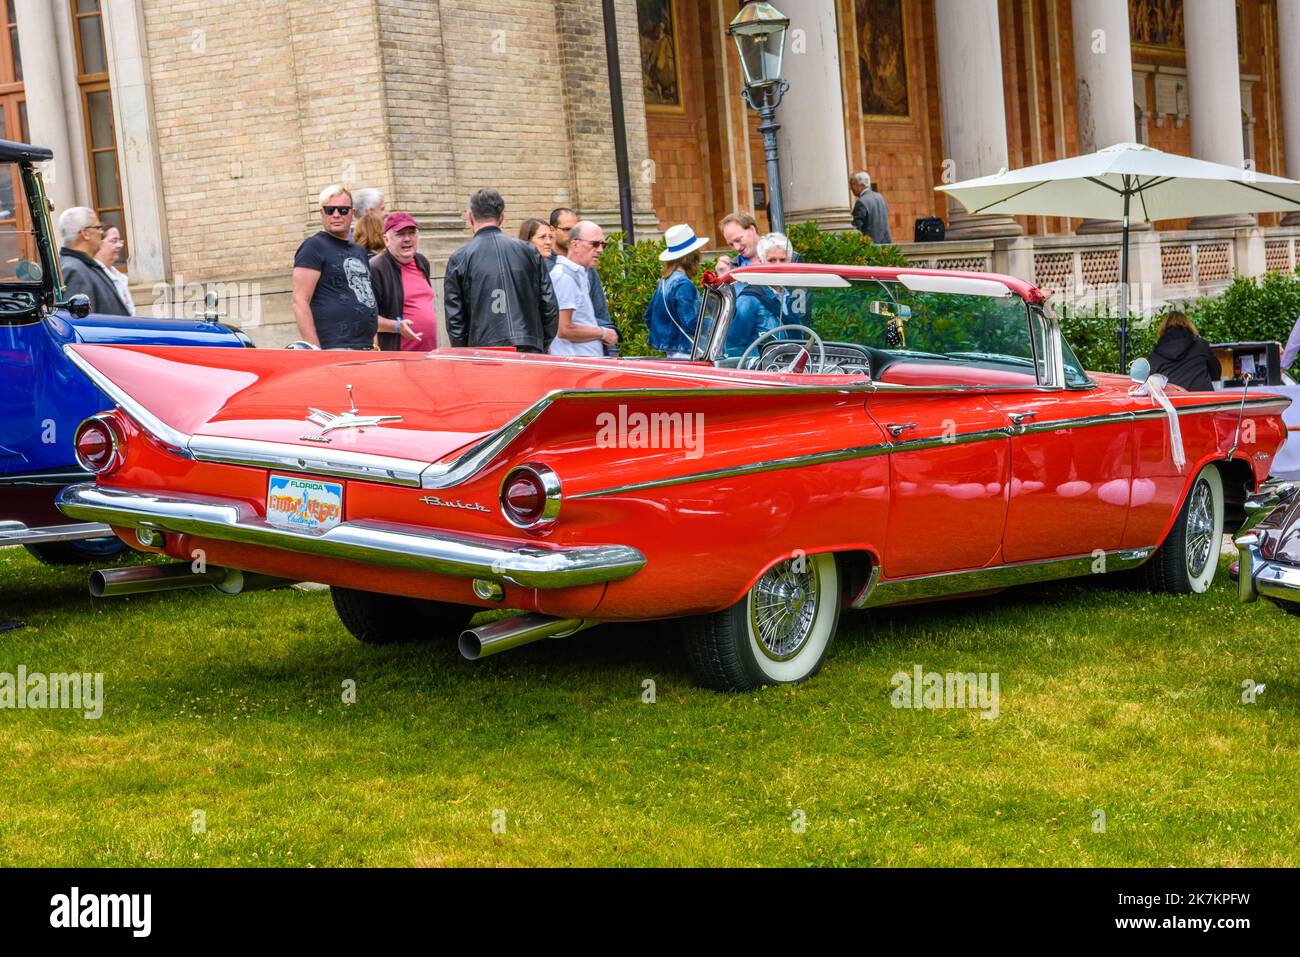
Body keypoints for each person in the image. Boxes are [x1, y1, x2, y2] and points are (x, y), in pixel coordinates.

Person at [445, 188, 558, 352]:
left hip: (484, 351)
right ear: (502, 217)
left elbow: (455, 321)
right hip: (528, 345)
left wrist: (465, 353)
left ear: (470, 217)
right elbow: (549, 306)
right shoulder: (530, 252)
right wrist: (539, 343)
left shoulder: (460, 258)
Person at [292, 184, 378, 349]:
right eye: (330, 210)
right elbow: (300, 301)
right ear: (322, 213)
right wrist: (314, 351)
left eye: (343, 210)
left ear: (352, 213)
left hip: (366, 347)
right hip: (333, 348)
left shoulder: (359, 251)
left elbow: (368, 299)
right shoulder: (313, 247)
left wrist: (375, 343)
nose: (336, 215)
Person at [551, 206, 618, 355]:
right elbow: (564, 329)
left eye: (603, 245)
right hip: (574, 369)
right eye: (594, 244)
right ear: (575, 244)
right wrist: (603, 333)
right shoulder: (565, 277)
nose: (600, 250)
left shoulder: (580, 273)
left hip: (585, 366)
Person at [369, 212, 436, 352]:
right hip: (397, 358)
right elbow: (366, 318)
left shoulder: (421, 261)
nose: (407, 239)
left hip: (428, 354)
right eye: (400, 234)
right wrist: (396, 326)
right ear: (386, 240)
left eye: (411, 233)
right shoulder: (376, 267)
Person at [643, 224, 706, 359]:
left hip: (670, 353)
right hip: (687, 351)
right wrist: (714, 324)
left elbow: (649, 316)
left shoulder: (664, 281)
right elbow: (690, 324)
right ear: (691, 256)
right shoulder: (684, 284)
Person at [57, 207, 130, 316]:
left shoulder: (85, 265)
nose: (101, 232)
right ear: (85, 233)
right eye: (98, 227)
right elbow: (80, 324)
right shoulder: (74, 271)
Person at [1148, 311, 1219, 391]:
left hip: (1174, 401)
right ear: (1188, 325)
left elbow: (1151, 384)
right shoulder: (1201, 345)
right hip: (1204, 399)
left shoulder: (1155, 355)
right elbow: (1216, 373)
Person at [92, 224, 134, 316]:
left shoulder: (119, 277)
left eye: (119, 241)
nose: (119, 245)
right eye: (113, 241)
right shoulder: (93, 276)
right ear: (99, 243)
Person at [850, 171, 892, 245]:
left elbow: (855, 227)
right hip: (886, 246)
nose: (851, 188)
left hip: (870, 248)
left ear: (861, 185)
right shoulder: (880, 197)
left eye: (853, 184)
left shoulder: (861, 202)